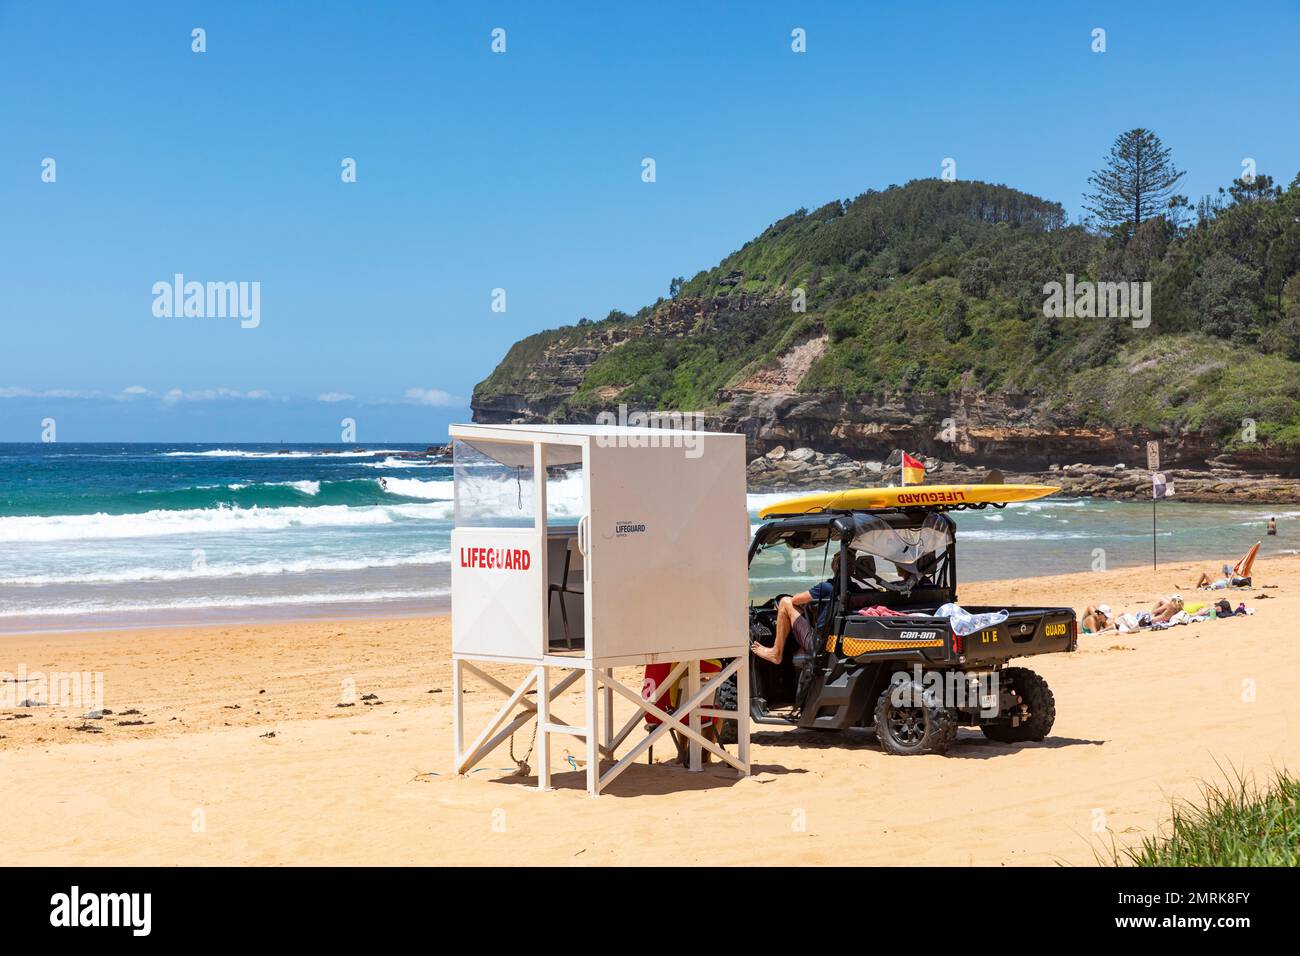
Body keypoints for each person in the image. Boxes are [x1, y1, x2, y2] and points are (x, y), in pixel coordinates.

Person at [752, 552, 859, 665]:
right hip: (840, 641)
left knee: (784, 602)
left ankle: (776, 653)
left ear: (835, 566)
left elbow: (795, 600)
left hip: (819, 644)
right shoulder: (855, 589)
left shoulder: (827, 588)